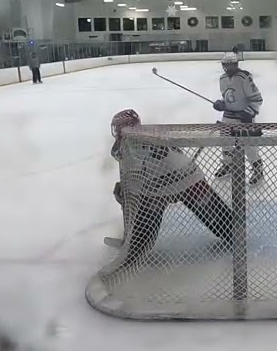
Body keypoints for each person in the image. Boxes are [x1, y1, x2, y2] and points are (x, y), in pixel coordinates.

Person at [108, 109, 234, 265]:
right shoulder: (146, 135)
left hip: (172, 184)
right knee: (226, 225)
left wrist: (126, 190)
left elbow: (130, 163)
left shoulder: (130, 144)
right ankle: (235, 232)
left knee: (144, 226)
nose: (116, 132)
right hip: (183, 178)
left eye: (118, 127)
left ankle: (135, 246)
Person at [212, 52, 264, 185]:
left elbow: (257, 98)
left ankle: (257, 169)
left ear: (236, 64)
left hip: (244, 117)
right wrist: (221, 104)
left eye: (232, 65)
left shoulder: (244, 77)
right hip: (228, 116)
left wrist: (250, 112)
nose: (229, 68)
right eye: (226, 65)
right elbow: (227, 97)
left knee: (248, 144)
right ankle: (228, 165)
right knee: (225, 141)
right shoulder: (222, 79)